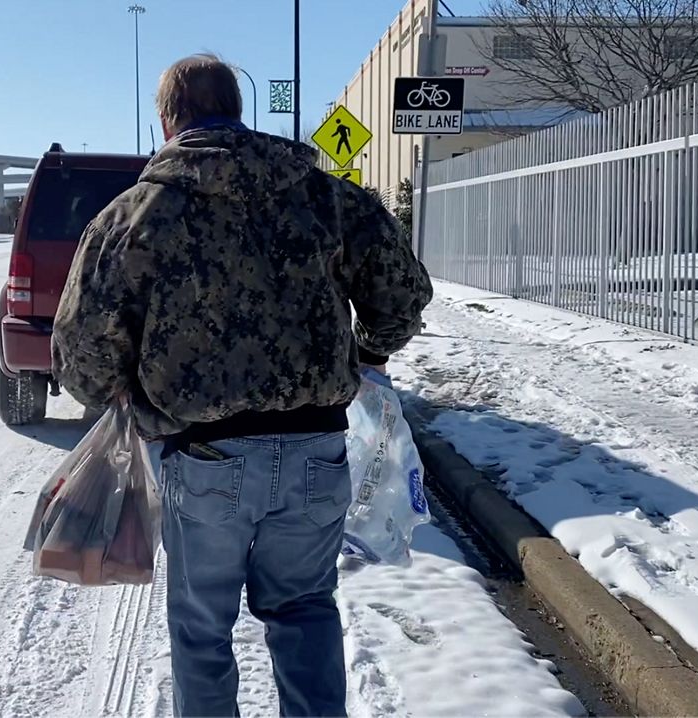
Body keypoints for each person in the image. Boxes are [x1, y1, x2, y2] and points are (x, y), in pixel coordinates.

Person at [51, 53, 432, 718]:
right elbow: (402, 295)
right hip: (316, 451)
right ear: (237, 109)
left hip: (204, 461)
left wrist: (119, 392)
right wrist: (368, 353)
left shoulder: (135, 215)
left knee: (202, 631)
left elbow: (79, 348)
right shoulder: (328, 198)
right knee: (305, 610)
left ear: (169, 121)